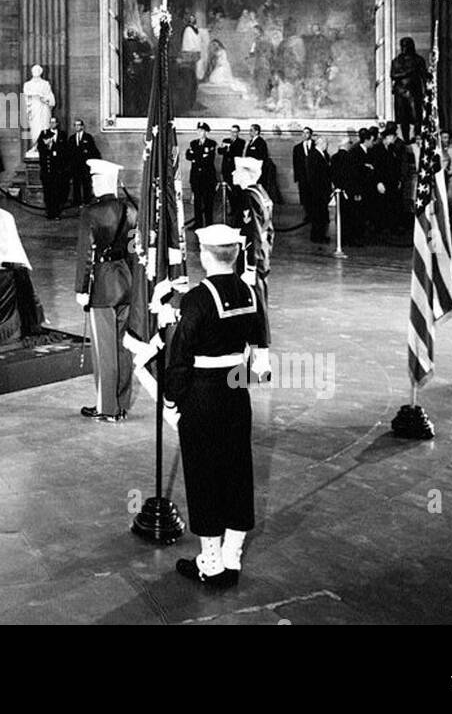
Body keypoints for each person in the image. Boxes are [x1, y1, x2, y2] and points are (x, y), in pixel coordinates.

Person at [165, 224, 270, 588]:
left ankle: (209, 561)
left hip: (203, 394)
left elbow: (180, 356)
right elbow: (258, 339)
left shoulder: (198, 298)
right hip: (236, 392)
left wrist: (171, 398)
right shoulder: (250, 290)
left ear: (205, 255)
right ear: (236, 254)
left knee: (204, 474)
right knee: (238, 470)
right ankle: (232, 557)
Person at [74, 159, 137, 422]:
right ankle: (121, 404)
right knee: (124, 347)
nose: (92, 182)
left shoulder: (92, 212)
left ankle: (106, 408)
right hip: (126, 281)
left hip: (102, 285)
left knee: (105, 351)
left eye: (94, 178)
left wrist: (81, 288)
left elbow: (86, 253)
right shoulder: (131, 210)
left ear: (100, 181)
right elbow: (135, 250)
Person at [231, 156, 273, 346]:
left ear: (246, 174)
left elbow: (252, 233)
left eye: (236, 171)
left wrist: (249, 266)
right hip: (262, 254)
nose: (233, 173)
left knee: (255, 303)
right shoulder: (261, 192)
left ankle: (259, 345)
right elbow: (269, 230)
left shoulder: (248, 197)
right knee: (259, 299)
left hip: (252, 258)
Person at [390, 36, 429, 142]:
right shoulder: (397, 61)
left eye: (406, 46)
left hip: (414, 92)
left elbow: (424, 76)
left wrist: (427, 91)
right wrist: (408, 72)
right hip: (401, 91)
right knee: (402, 117)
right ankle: (405, 138)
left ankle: (416, 136)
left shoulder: (418, 60)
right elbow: (393, 75)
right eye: (402, 46)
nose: (404, 48)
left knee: (416, 116)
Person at [330, 133, 365, 246]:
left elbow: (333, 175)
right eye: (350, 143)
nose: (351, 145)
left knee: (340, 215)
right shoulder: (350, 158)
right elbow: (353, 176)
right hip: (349, 191)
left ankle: (342, 238)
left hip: (339, 191)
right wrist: (356, 192)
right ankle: (350, 239)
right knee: (350, 216)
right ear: (345, 145)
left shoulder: (334, 158)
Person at [185, 122, 218, 229]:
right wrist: (200, 156)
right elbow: (188, 156)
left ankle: (209, 224)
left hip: (207, 178)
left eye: (202, 131)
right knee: (197, 202)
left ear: (206, 132)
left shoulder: (211, 143)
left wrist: (196, 157)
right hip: (196, 177)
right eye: (198, 131)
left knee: (208, 202)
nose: (199, 133)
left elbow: (209, 159)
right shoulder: (193, 143)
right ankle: (198, 223)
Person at [37, 116, 68, 220]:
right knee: (48, 193)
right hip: (47, 170)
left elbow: (64, 150)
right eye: (50, 122)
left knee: (57, 193)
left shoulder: (62, 134)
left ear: (57, 124)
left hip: (57, 170)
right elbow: (40, 148)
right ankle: (49, 212)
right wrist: (47, 146)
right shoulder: (44, 133)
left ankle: (56, 212)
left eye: (54, 122)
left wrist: (54, 146)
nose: (52, 124)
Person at [66, 118, 101, 205]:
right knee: (76, 184)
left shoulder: (88, 137)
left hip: (85, 165)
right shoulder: (72, 138)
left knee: (86, 183)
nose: (77, 127)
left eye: (79, 125)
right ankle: (77, 201)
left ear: (82, 126)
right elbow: (69, 152)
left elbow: (93, 151)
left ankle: (87, 201)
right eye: (75, 125)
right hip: (75, 166)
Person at [22, 65, 55, 157]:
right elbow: (25, 98)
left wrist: (44, 98)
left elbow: (51, 98)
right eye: (34, 70)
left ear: (41, 72)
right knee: (35, 128)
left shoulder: (45, 84)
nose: (35, 72)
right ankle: (35, 146)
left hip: (43, 107)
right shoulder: (27, 84)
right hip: (33, 109)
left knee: (43, 127)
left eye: (37, 70)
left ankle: (43, 146)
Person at [306, 134, 333, 244]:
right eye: (326, 143)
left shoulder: (323, 154)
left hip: (322, 190)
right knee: (318, 215)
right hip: (317, 191)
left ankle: (321, 235)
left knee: (322, 215)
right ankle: (317, 236)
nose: (327, 145)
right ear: (321, 143)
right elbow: (313, 175)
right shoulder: (314, 155)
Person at [292, 126, 314, 212]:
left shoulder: (315, 145)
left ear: (311, 134)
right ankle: (306, 212)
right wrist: (297, 177)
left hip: (313, 176)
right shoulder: (297, 148)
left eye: (307, 133)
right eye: (303, 133)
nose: (305, 135)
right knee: (304, 196)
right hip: (303, 177)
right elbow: (295, 163)